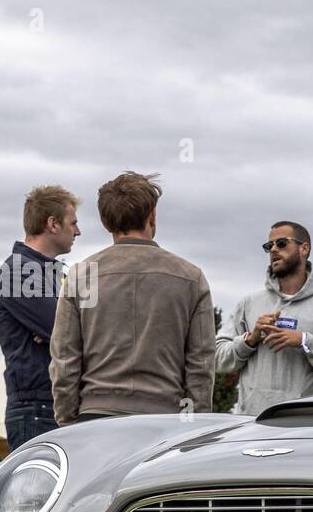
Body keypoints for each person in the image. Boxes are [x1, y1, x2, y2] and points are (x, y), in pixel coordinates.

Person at [50, 172, 215, 425]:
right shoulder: (191, 277)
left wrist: (68, 421)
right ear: (152, 215)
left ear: (106, 223)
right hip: (165, 417)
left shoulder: (80, 276)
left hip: (95, 416)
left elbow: (64, 360)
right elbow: (201, 365)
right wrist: (195, 426)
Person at [215, 221, 313, 414]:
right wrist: (250, 339)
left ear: (304, 248)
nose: (273, 249)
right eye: (269, 246)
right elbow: (217, 358)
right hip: (250, 426)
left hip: (301, 428)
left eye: (281, 243)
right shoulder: (248, 304)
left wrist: (305, 341)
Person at [0, 185, 81, 449]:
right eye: (73, 223)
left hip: (50, 404)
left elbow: (74, 330)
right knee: (39, 492)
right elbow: (69, 332)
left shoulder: (51, 274)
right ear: (53, 224)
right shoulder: (17, 274)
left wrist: (68, 327)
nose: (78, 231)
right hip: (37, 409)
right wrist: (71, 326)